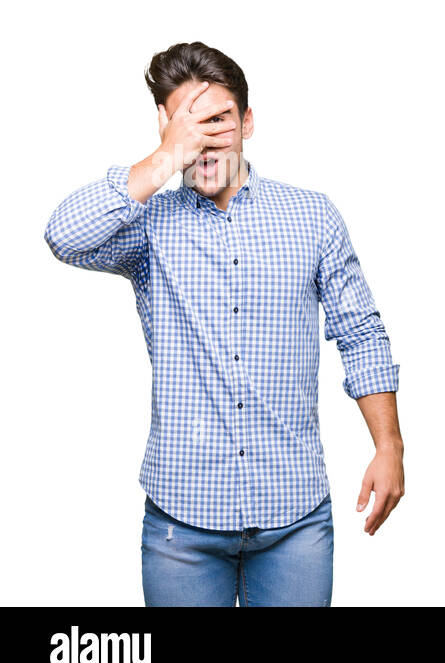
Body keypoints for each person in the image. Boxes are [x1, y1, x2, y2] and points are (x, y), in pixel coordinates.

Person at [44, 42, 406, 606]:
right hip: (181, 523)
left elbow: (361, 334)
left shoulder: (312, 216)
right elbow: (63, 236)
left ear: (248, 122)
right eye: (188, 125)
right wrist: (165, 157)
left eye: (218, 120)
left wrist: (389, 446)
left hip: (294, 517)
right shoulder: (147, 226)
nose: (205, 140)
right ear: (166, 129)